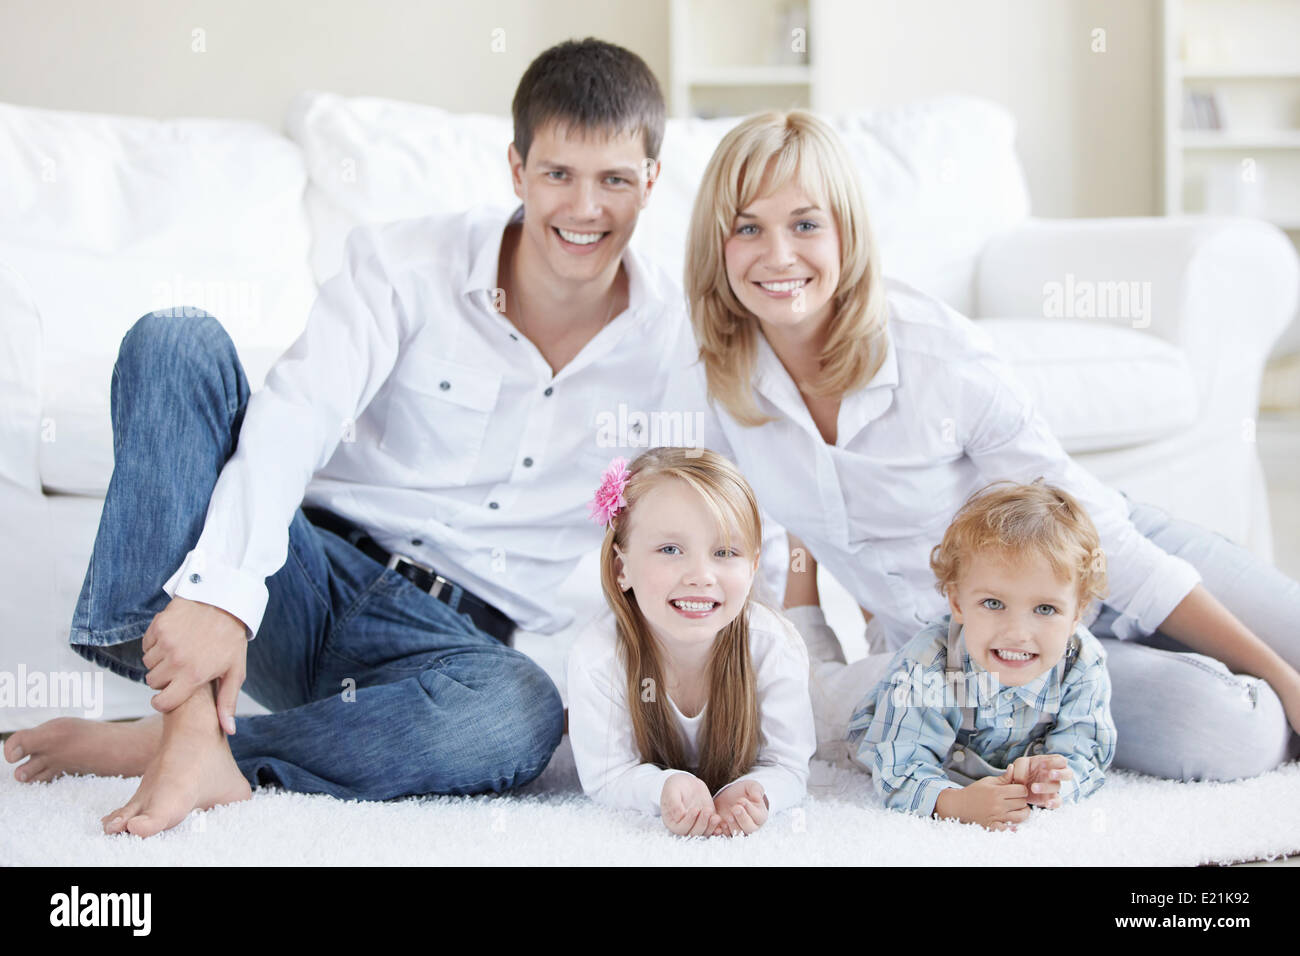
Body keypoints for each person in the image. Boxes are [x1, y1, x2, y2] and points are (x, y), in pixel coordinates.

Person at [3, 38, 695, 838]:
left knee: (523, 713)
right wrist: (227, 590)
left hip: (448, 646)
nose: (584, 208)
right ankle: (189, 715)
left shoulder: (673, 347)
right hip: (302, 578)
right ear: (516, 170)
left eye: (613, 179)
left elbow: (699, 518)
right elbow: (295, 414)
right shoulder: (407, 263)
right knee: (176, 341)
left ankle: (177, 746)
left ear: (650, 181)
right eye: (558, 175)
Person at [677, 108, 1300, 784]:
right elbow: (757, 565)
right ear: (718, 243)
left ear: (847, 234)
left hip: (1106, 543)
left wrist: (1280, 673)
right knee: (1234, 730)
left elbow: (1098, 536)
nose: (778, 255)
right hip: (1008, 638)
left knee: (1289, 656)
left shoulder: (936, 353)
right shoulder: (716, 387)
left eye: (805, 224)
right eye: (747, 227)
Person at [566, 448, 816, 837]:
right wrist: (661, 787)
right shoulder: (598, 657)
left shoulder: (775, 647)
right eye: (670, 549)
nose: (701, 575)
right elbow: (606, 775)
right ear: (622, 568)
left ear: (752, 567)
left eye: (724, 552)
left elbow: (788, 765)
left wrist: (756, 793)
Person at [845, 479, 1117, 830]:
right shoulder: (926, 665)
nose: (1018, 633)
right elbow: (898, 767)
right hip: (875, 697)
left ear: (1077, 613)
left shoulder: (1083, 661)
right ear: (957, 602)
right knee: (816, 681)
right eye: (993, 603)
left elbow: (1085, 756)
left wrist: (1051, 781)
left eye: (1046, 609)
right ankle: (802, 575)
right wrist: (955, 802)